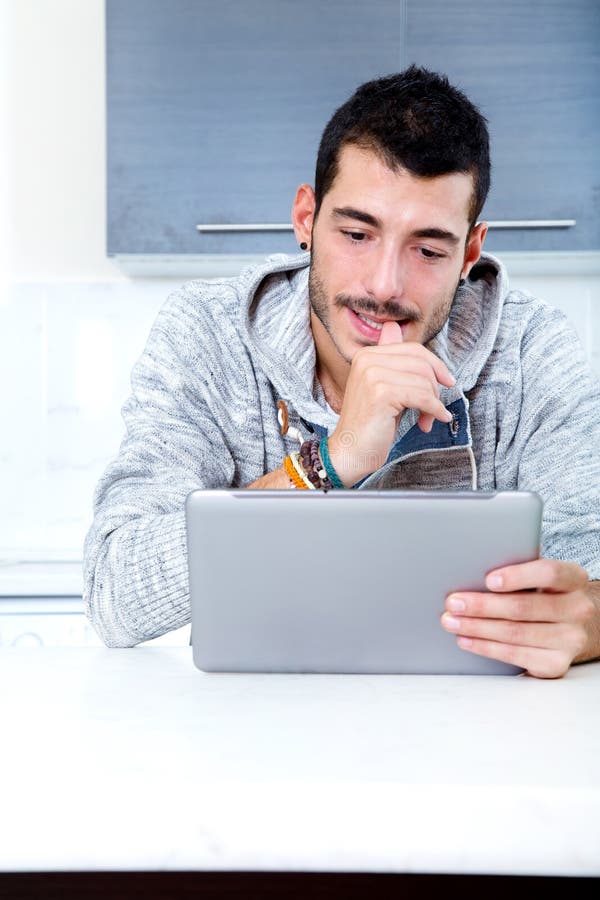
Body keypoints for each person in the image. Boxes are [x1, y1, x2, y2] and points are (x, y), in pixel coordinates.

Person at [83, 66, 600, 676]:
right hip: (256, 738)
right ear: (306, 219)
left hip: (471, 740)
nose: (384, 286)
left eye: (429, 250)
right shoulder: (208, 332)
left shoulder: (533, 349)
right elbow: (115, 594)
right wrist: (329, 461)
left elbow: (591, 564)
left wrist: (591, 616)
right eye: (357, 233)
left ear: (470, 252)